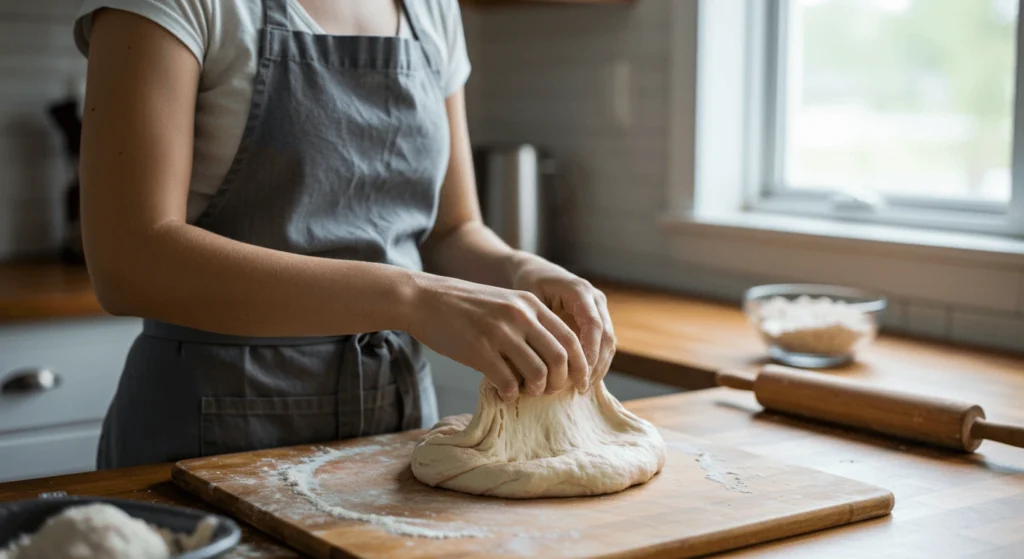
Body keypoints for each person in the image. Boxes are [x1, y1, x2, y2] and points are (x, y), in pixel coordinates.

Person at [73, 0, 616, 468]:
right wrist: (410, 298)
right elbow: (129, 260)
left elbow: (453, 229)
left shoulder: (432, 10)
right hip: (210, 430)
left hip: (395, 428)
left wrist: (525, 270)